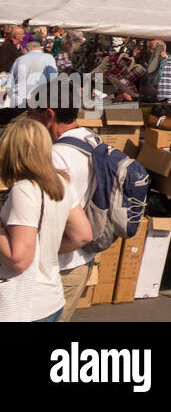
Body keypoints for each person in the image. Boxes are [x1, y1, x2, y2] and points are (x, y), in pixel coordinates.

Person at [0, 118, 93, 322]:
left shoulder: (23, 190)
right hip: (51, 299)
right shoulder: (60, 181)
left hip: (24, 305)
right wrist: (43, 248)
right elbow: (83, 235)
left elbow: (19, 259)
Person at [31, 104, 97, 321]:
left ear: (49, 114)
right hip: (81, 259)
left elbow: (79, 233)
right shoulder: (91, 139)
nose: (31, 121)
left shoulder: (55, 156)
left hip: (60, 263)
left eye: (33, 115)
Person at [10, 40, 58, 110]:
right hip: (40, 100)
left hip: (20, 99)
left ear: (25, 50)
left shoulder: (18, 60)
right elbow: (53, 78)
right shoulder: (49, 57)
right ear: (41, 49)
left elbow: (11, 80)